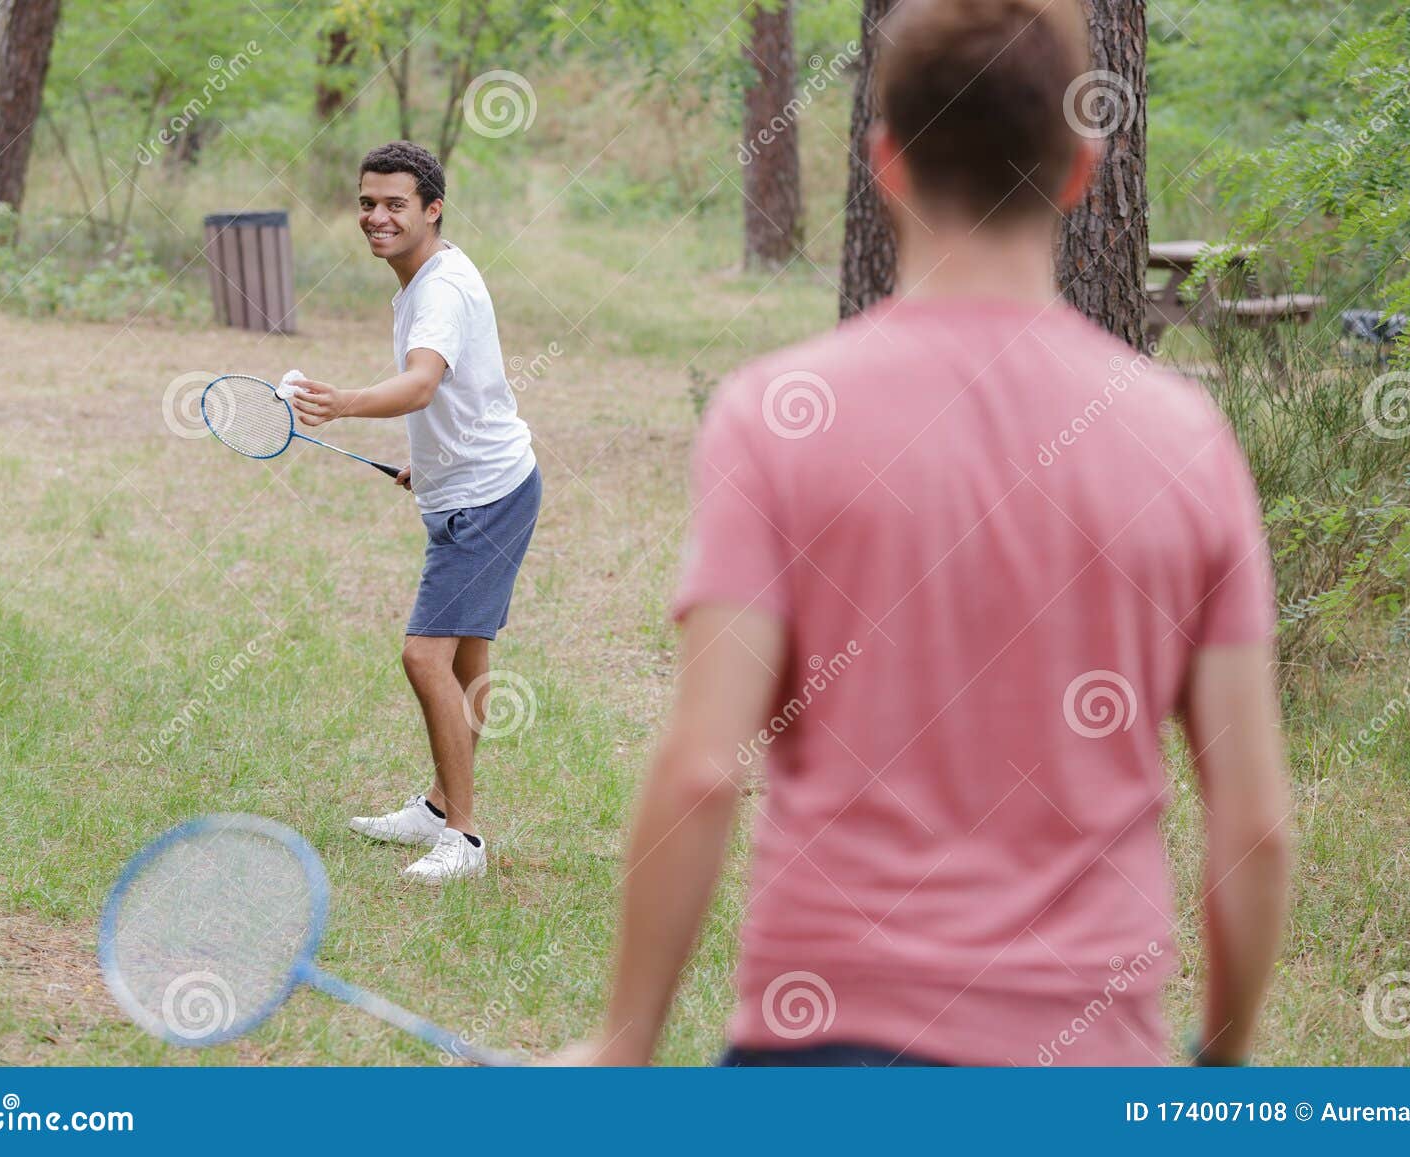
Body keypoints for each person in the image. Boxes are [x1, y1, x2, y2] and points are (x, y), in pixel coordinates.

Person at [556, 0, 1290, 1065]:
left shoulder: (774, 414)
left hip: (827, 1045)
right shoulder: (1185, 439)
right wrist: (1218, 1063)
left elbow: (703, 770)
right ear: (1082, 169)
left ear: (884, 162)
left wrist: (623, 1042)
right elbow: (1255, 824)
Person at [293, 141, 541, 884]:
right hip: (478, 483)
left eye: (396, 204)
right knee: (466, 662)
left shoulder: (439, 290)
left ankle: (462, 837)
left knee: (423, 655)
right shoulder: (427, 277)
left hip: (486, 499)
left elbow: (424, 382)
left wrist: (343, 404)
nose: (377, 217)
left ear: (433, 208)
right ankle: (439, 807)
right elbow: (463, 390)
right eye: (368, 202)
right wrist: (424, 460)